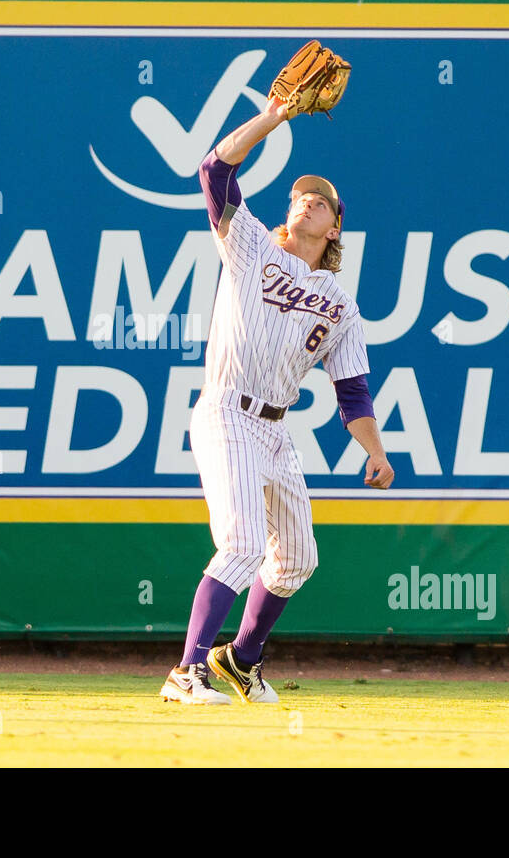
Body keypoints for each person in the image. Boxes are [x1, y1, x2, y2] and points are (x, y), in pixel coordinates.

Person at [161, 94, 396, 705]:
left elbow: (353, 393)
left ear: (335, 225)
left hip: (274, 428)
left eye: (321, 200)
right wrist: (275, 116)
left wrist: (376, 451)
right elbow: (213, 171)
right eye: (299, 196)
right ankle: (186, 672)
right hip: (226, 411)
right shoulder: (252, 247)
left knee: (295, 558)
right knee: (239, 544)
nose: (307, 201)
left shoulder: (341, 305)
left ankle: (240, 660)